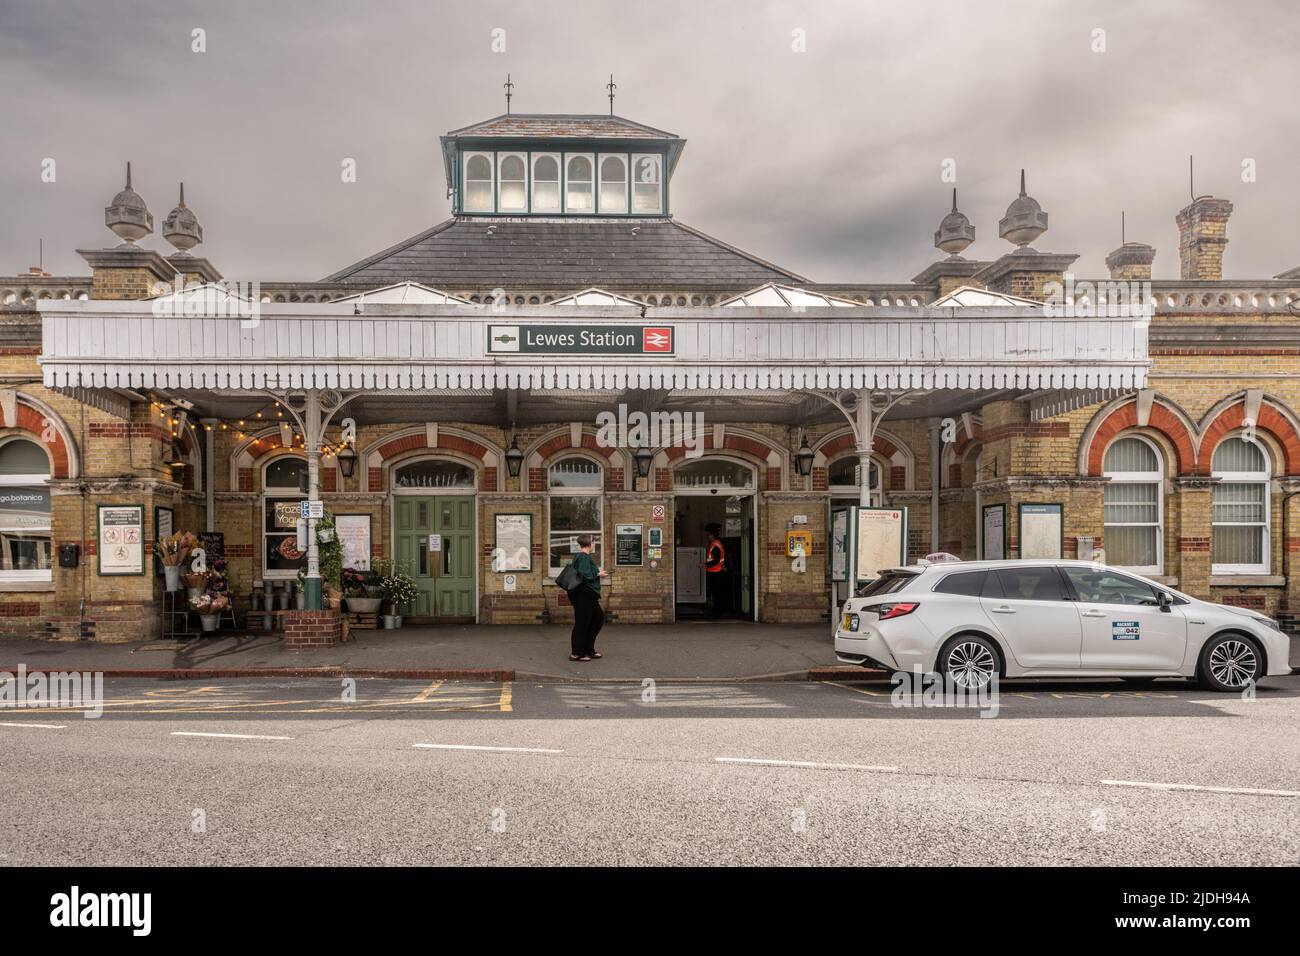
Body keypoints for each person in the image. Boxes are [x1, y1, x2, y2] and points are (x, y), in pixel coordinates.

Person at [568, 534, 609, 662]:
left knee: (596, 619)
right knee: (583, 623)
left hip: (588, 594)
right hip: (584, 594)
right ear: (589, 544)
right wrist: (599, 574)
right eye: (594, 542)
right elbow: (585, 575)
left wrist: (597, 574)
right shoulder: (583, 557)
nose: (595, 544)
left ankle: (588, 649)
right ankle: (577, 653)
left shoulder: (581, 557)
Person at [704, 523, 727, 618]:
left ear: (712, 535)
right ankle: (716, 611)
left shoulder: (715, 545)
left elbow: (716, 560)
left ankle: (717, 612)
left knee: (716, 593)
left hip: (715, 572)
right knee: (716, 593)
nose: (708, 537)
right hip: (716, 572)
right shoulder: (717, 544)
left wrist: (705, 564)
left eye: (709, 535)